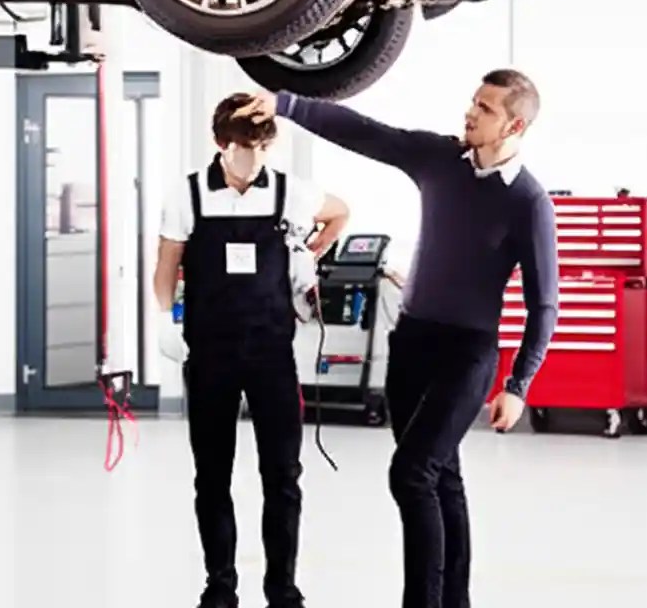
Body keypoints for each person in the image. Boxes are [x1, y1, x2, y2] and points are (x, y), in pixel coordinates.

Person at [241, 69, 559, 608]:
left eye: (485, 108)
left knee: (412, 474)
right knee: (442, 478)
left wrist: (519, 383)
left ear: (515, 123)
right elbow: (367, 132)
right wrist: (286, 103)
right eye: (473, 101)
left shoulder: (528, 201)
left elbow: (543, 303)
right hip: (412, 343)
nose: (470, 113)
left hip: (468, 353)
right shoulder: (439, 159)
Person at [153, 92, 351, 608]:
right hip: (211, 354)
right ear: (221, 143)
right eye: (246, 146)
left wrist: (309, 251)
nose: (257, 157)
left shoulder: (291, 193)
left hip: (271, 356)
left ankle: (282, 588)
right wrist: (162, 320)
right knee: (212, 475)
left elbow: (341, 212)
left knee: (282, 475)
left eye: (264, 145)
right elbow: (165, 269)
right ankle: (220, 584)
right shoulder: (188, 195)